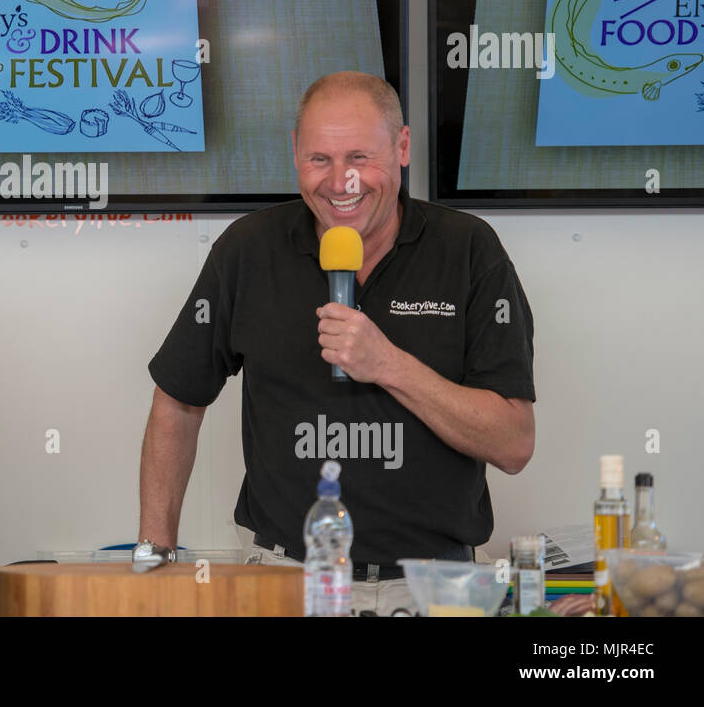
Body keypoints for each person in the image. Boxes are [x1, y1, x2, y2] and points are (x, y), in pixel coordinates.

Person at [138, 71, 535, 616]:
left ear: (401, 148)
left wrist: (388, 364)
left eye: (359, 158)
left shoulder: (469, 250)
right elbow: (178, 401)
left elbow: (512, 443)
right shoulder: (248, 251)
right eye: (319, 159)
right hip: (286, 581)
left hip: (434, 584)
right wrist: (154, 555)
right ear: (294, 154)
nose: (340, 181)